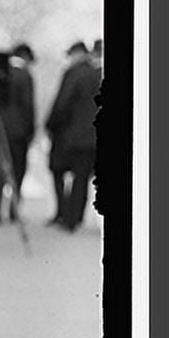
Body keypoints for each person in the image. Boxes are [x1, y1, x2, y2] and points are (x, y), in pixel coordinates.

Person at [45, 40, 101, 231]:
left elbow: (63, 103)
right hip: (93, 135)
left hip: (71, 134)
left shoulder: (74, 74)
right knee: (81, 178)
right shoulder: (96, 74)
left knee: (60, 172)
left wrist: (51, 125)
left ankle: (65, 215)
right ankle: (74, 218)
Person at [0, 42, 36, 223]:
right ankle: (13, 211)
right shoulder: (24, 75)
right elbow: (27, 105)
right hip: (18, 131)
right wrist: (31, 129)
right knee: (17, 171)